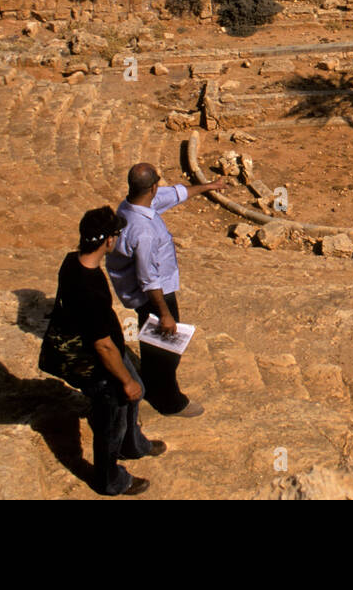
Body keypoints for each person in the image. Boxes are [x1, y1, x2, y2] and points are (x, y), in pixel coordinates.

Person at [55, 206, 165, 496]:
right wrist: (124, 381)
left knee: (136, 391)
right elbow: (101, 344)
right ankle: (110, 479)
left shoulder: (72, 263)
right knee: (110, 422)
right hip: (99, 362)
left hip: (108, 349)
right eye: (116, 233)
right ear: (107, 240)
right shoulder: (88, 289)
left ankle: (134, 444)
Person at [106, 163, 225, 417]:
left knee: (154, 344)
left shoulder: (132, 206)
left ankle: (150, 380)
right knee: (167, 348)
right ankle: (168, 400)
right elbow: (148, 278)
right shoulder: (143, 231)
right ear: (151, 187)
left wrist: (208, 187)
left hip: (148, 292)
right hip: (153, 296)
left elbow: (173, 194)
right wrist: (164, 313)